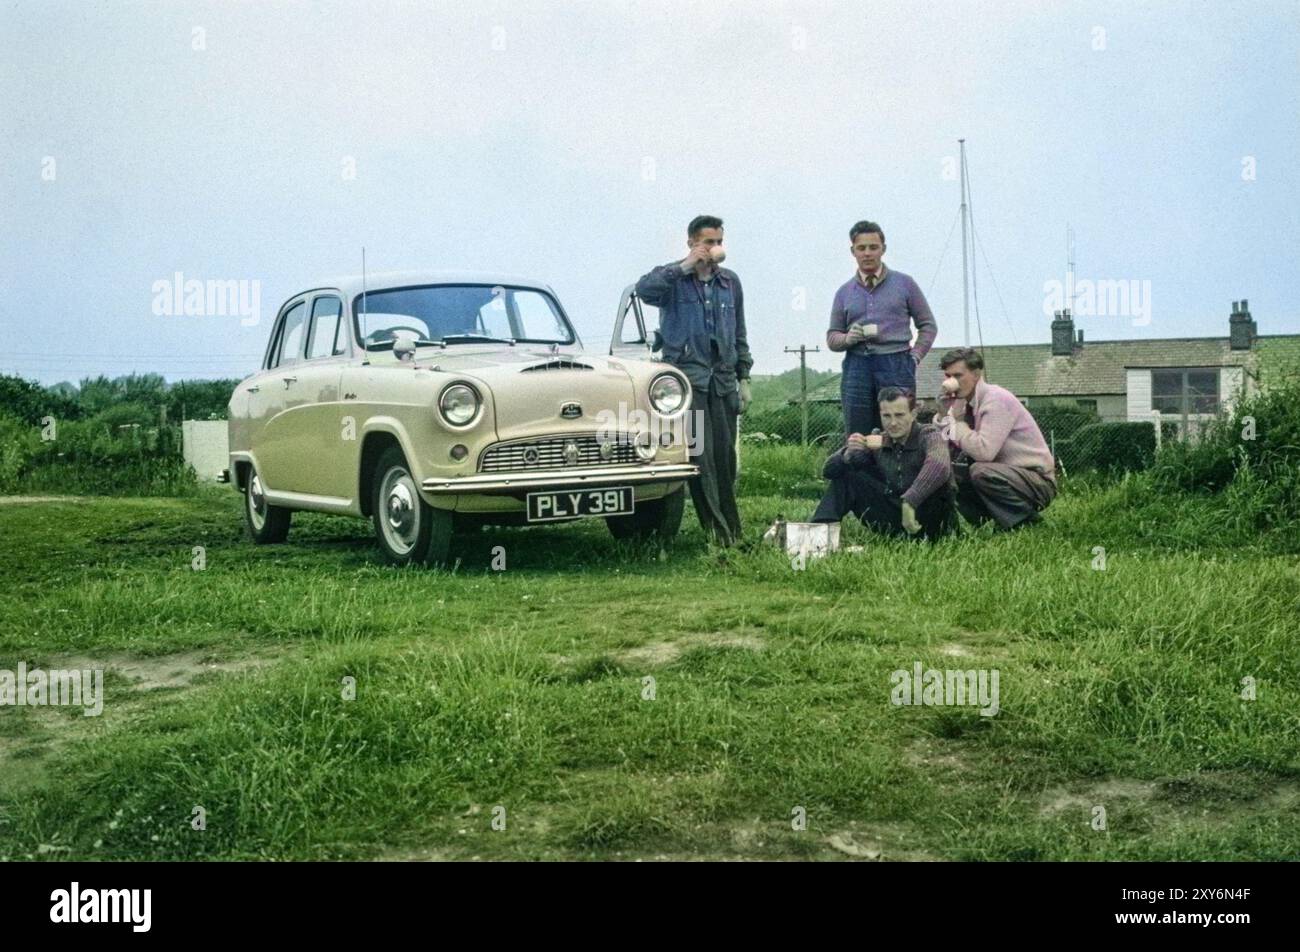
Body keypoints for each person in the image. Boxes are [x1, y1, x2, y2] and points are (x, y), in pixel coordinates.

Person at [635, 215, 753, 546]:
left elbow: (739, 331)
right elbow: (644, 289)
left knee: (725, 460)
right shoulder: (673, 280)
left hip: (723, 381)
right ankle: (719, 535)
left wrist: (745, 376)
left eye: (719, 241)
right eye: (708, 242)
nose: (715, 248)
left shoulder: (730, 283)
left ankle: (734, 531)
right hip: (689, 383)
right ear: (692, 243)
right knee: (701, 459)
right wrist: (686, 264)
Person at [826, 220, 938, 437]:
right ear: (853, 251)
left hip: (896, 364)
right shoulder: (844, 292)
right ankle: (860, 470)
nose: (867, 253)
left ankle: (901, 471)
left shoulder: (905, 284)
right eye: (861, 248)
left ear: (883, 249)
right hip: (856, 367)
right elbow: (832, 337)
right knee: (858, 433)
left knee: (899, 431)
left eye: (873, 247)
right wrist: (848, 338)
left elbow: (928, 326)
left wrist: (914, 357)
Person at [810, 387, 956, 540]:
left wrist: (910, 500)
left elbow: (939, 466)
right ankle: (818, 536)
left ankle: (930, 534)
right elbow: (828, 472)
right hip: (896, 517)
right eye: (886, 416)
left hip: (933, 520)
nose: (892, 423)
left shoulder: (929, 435)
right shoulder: (878, 441)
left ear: (913, 414)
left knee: (940, 482)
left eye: (899, 415)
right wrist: (847, 454)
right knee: (849, 476)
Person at [934, 347, 1057, 529]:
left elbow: (984, 453)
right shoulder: (965, 403)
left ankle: (1027, 523)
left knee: (980, 471)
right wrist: (944, 416)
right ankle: (988, 523)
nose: (951, 381)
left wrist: (957, 423)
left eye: (958, 375)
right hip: (1008, 475)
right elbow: (945, 442)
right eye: (948, 376)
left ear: (976, 374)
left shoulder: (996, 399)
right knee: (946, 472)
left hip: (1036, 480)